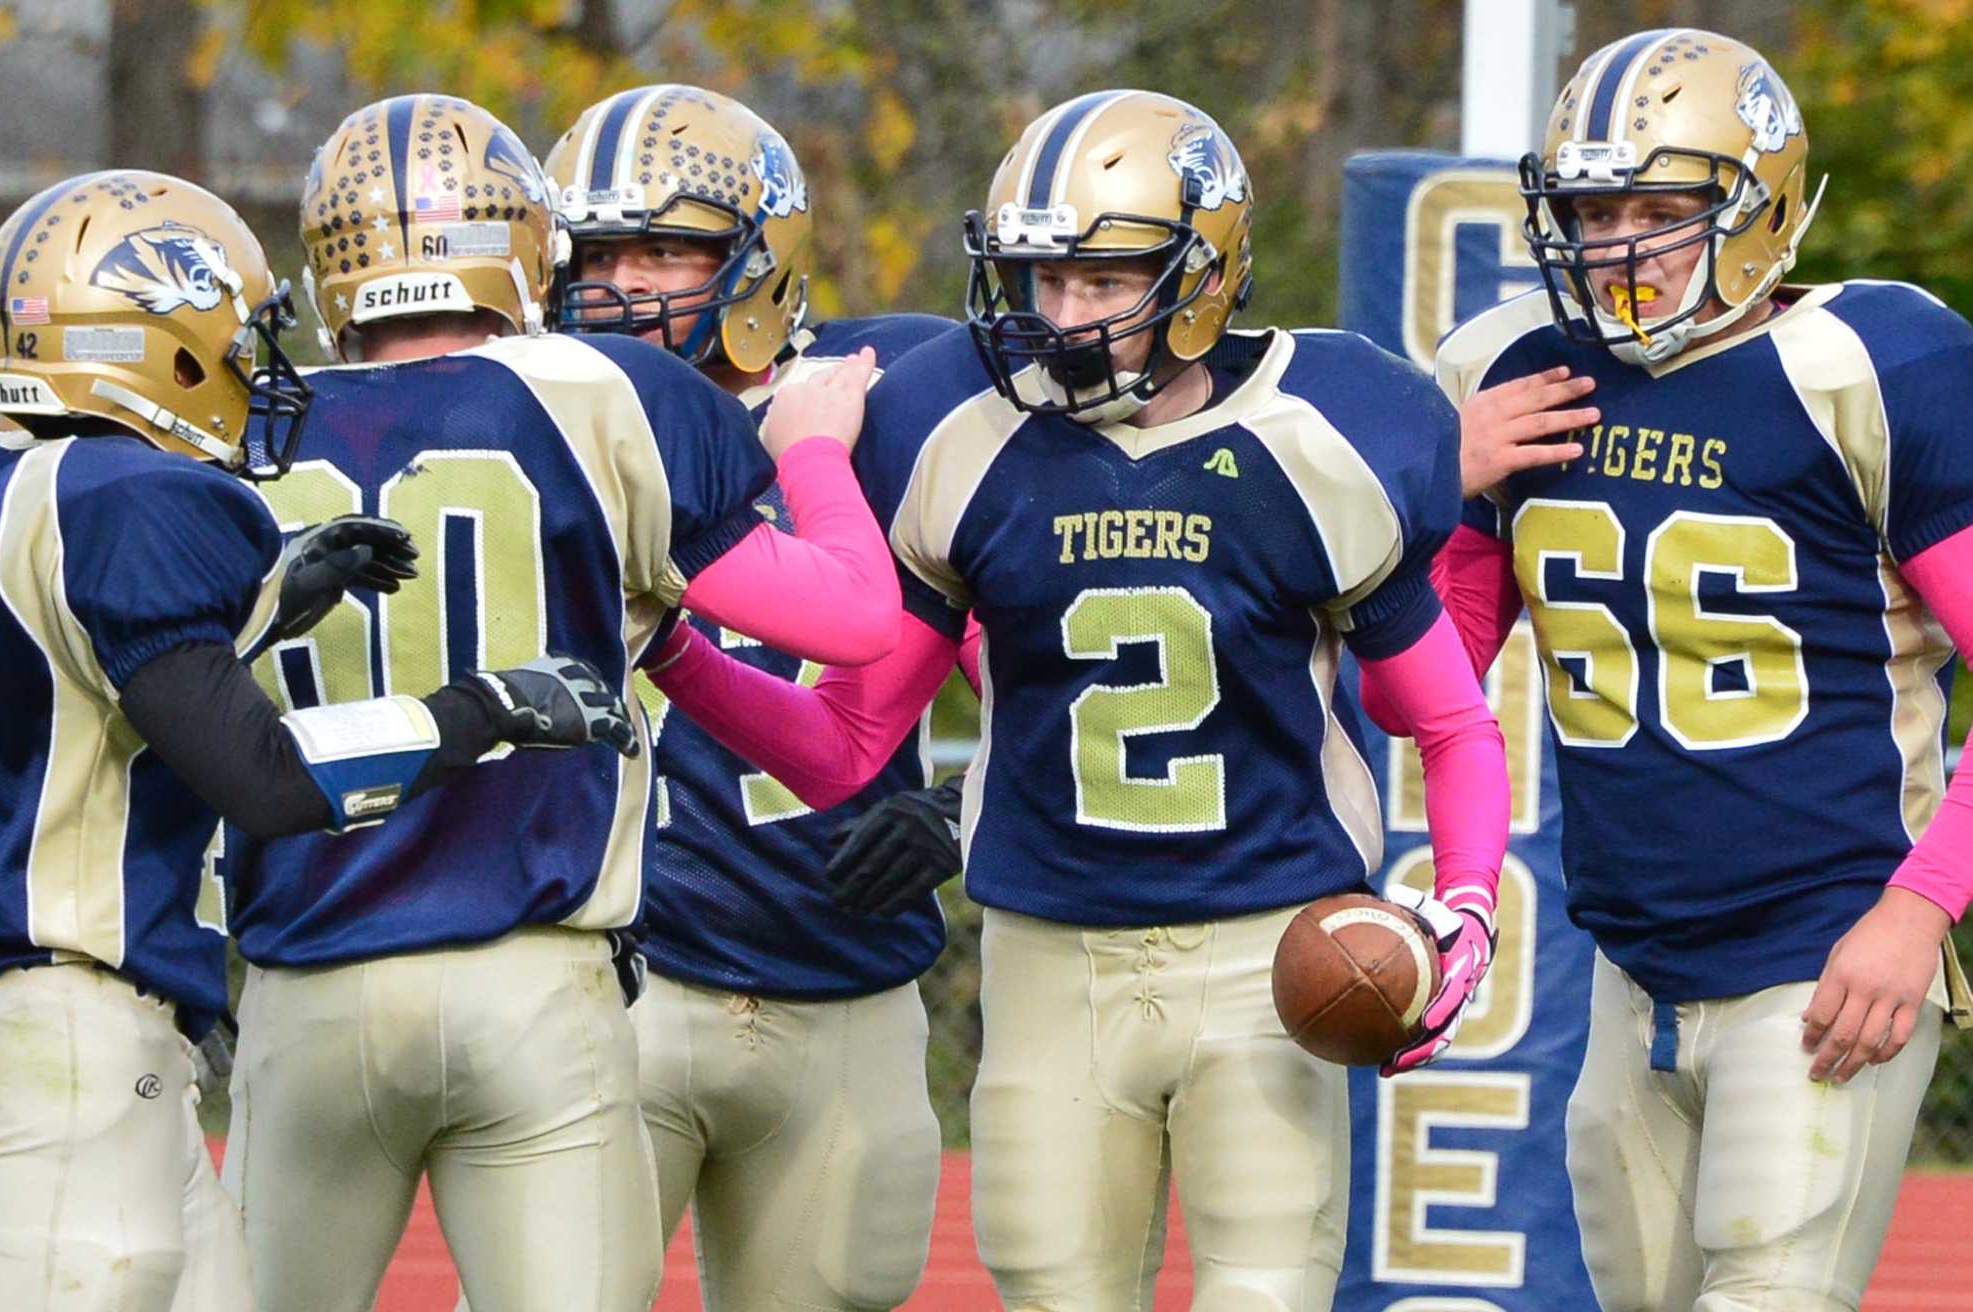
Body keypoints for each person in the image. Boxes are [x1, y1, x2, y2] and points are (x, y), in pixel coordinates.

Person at [641, 89, 1511, 1309]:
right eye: (1040, 279)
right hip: (1048, 959)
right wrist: (673, 650)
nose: (1060, 314)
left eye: (1102, 280)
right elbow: (844, 747)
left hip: (1266, 950)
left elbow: (1452, 724)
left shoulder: (1329, 433)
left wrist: (1466, 905)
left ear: (1201, 272)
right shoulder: (959, 433)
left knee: (1265, 1290)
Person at [219, 93, 899, 1312]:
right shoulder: (605, 392)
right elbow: (851, 618)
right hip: (532, 980)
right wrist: (809, 447)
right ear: (526, 241)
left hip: (305, 978)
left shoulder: (241, 434)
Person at [0, 170, 628, 1312]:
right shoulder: (132, 499)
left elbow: (62, 670)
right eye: (237, 337)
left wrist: (269, 601)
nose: (257, 366)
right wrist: (482, 712)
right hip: (57, 1044)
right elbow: (262, 779)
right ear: (164, 343)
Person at [1380, 28, 1973, 1310]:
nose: (1620, 242)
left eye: (1663, 208)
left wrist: (1918, 910)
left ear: (1756, 208)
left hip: (1825, 952)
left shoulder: (1868, 365)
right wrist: (1438, 485)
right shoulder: (1506, 369)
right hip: (1630, 965)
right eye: (1594, 208)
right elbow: (1413, 686)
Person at [533, 83, 961, 1311]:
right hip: (614, 984)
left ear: (756, 259)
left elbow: (1046, 677)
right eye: (597, 253)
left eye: (664, 249)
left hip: (843, 983)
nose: (620, 287)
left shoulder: (894, 413)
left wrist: (961, 804)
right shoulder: (531, 422)